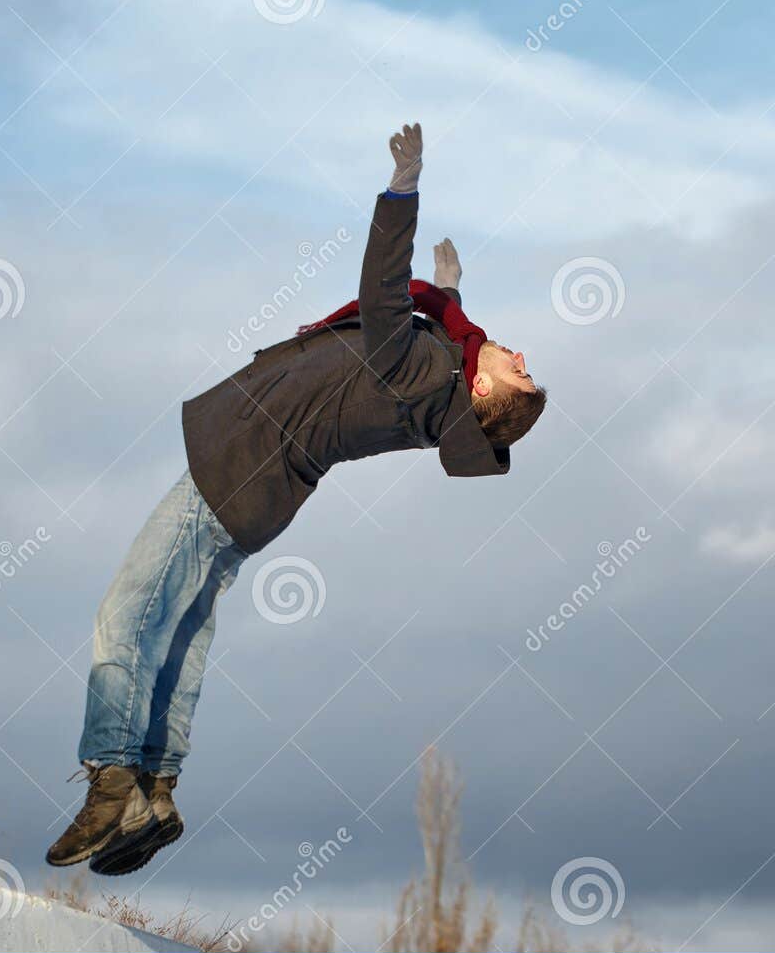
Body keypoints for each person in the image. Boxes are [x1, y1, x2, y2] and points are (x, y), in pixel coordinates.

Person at [47, 123, 547, 875]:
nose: (523, 359)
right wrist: (449, 296)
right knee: (179, 636)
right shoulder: (443, 382)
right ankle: (156, 788)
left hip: (237, 467)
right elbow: (448, 333)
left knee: (124, 617)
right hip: (263, 495)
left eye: (521, 377)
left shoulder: (424, 375)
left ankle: (111, 782)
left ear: (481, 392)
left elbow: (382, 294)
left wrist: (401, 190)